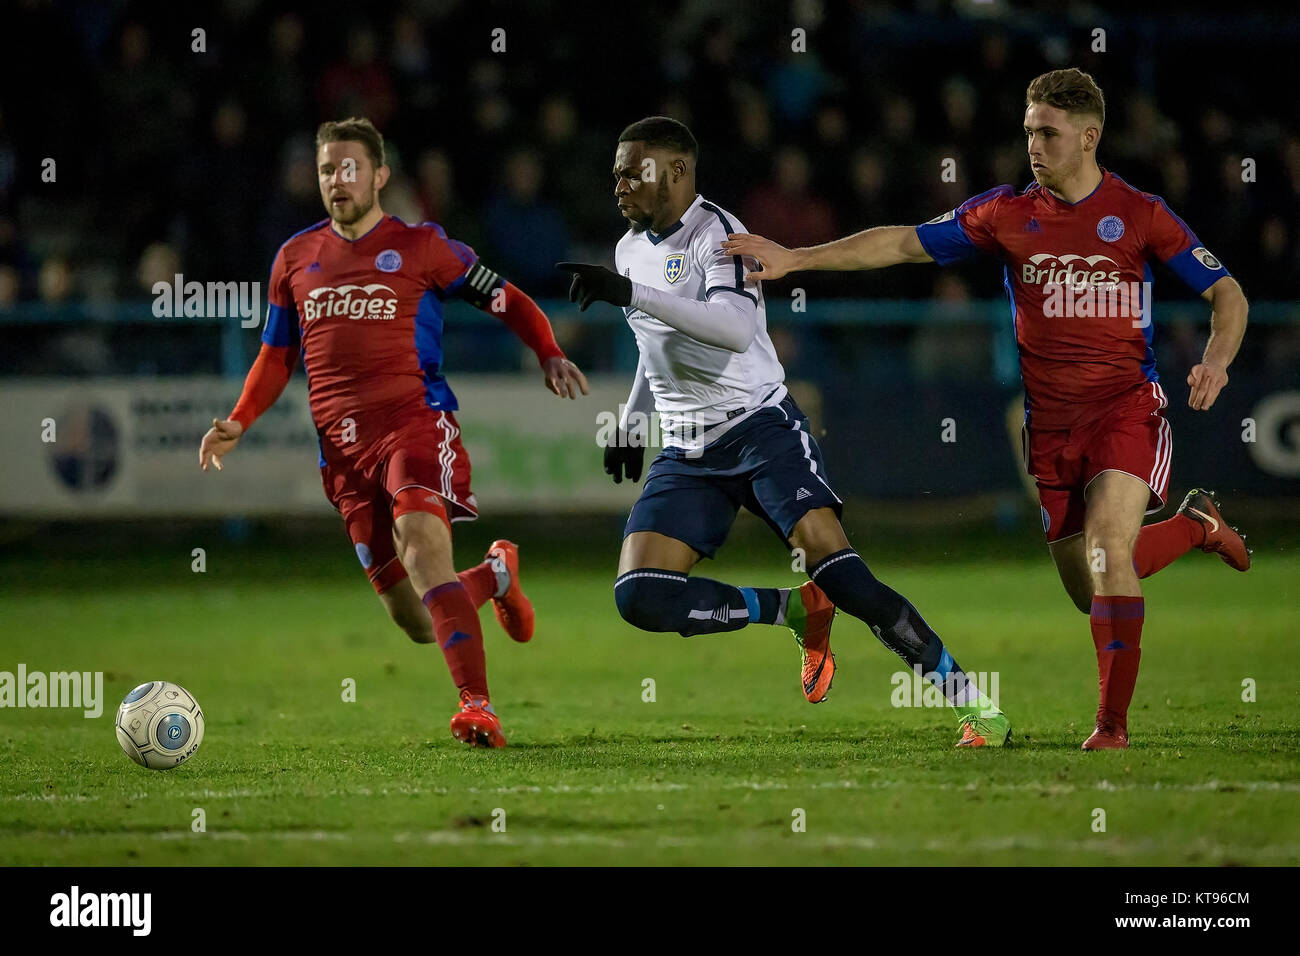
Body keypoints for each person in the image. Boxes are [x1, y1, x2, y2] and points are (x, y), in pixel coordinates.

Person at [723, 69, 1251, 750]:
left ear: (1089, 137)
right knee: (1089, 587)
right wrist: (797, 258)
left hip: (1125, 410)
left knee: (1105, 550)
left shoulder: (1140, 212)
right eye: (1029, 131)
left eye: (1049, 133)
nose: (1034, 144)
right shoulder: (1006, 213)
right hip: (1051, 428)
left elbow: (1227, 292)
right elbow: (904, 242)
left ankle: (1111, 729)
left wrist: (1217, 359)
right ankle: (1196, 526)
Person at [558, 116, 1011, 748]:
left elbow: (733, 329)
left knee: (844, 575)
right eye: (616, 172)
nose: (621, 183)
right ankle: (789, 609)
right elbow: (652, 347)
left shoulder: (721, 235)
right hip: (688, 449)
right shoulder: (630, 248)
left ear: (680, 171)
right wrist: (633, 418)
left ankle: (972, 702)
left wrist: (632, 294)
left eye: (636, 170)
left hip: (760, 430)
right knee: (640, 595)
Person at [199, 117, 589, 748]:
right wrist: (238, 420)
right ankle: (495, 576)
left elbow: (506, 298)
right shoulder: (294, 259)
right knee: (413, 619)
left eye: (350, 167)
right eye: (328, 169)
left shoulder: (423, 246)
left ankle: (477, 706)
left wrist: (546, 349)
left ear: (380, 176)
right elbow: (276, 357)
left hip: (414, 421)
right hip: (343, 455)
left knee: (423, 546)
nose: (338, 179)